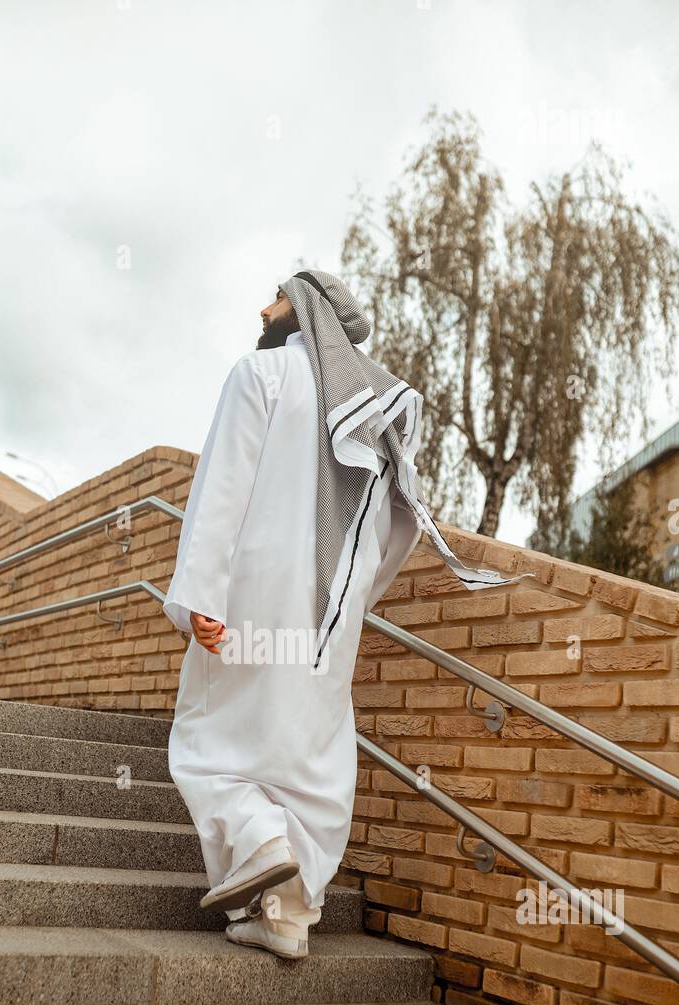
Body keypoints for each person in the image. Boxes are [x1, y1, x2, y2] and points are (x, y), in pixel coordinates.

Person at [162, 268, 529, 960]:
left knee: (213, 739)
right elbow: (399, 529)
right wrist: (356, 593)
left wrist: (198, 600)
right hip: (333, 609)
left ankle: (263, 845)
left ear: (304, 304)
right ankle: (286, 915)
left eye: (273, 289)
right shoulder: (377, 406)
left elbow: (219, 494)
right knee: (309, 754)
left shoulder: (260, 374)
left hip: (250, 594)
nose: (261, 303)